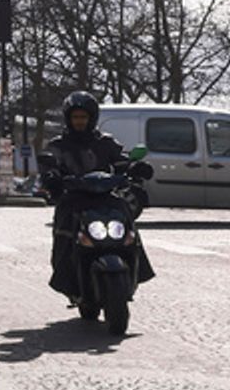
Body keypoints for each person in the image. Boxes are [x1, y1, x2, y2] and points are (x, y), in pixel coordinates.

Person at [40, 91, 154, 302]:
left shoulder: (105, 142)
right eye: (76, 117)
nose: (80, 122)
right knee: (65, 228)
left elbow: (122, 161)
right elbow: (50, 164)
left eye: (83, 117)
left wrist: (136, 167)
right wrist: (51, 177)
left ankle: (138, 267)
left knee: (126, 217)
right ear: (68, 119)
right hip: (75, 198)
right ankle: (66, 279)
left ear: (92, 118)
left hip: (105, 196)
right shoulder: (59, 145)